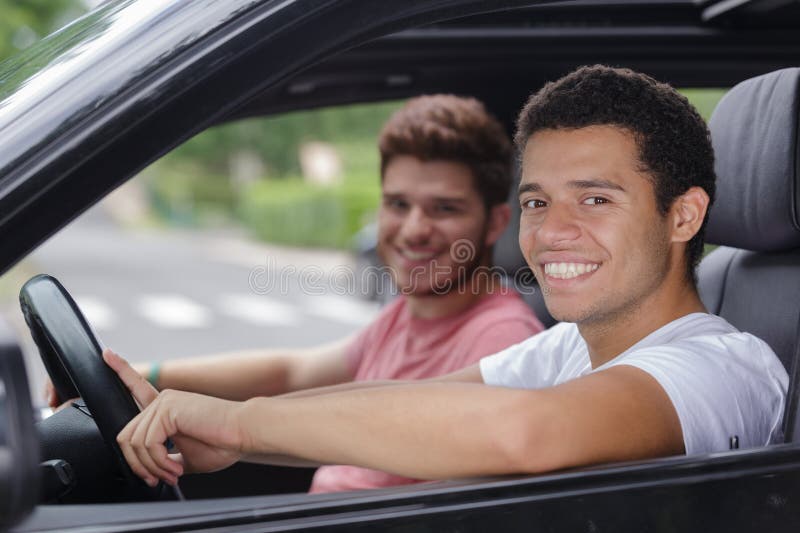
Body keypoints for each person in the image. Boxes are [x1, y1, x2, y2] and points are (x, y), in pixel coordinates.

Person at [104, 65, 788, 490]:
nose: (551, 232)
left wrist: (242, 423)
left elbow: (526, 432)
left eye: (595, 199)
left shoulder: (723, 366)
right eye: (537, 202)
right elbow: (406, 398)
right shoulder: (570, 347)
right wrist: (232, 435)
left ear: (682, 215)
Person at [51, 95, 544, 493]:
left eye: (444, 208)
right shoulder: (407, 315)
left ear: (495, 223)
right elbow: (290, 372)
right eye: (398, 204)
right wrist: (145, 375)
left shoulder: (501, 340)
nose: (414, 229)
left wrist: (237, 433)